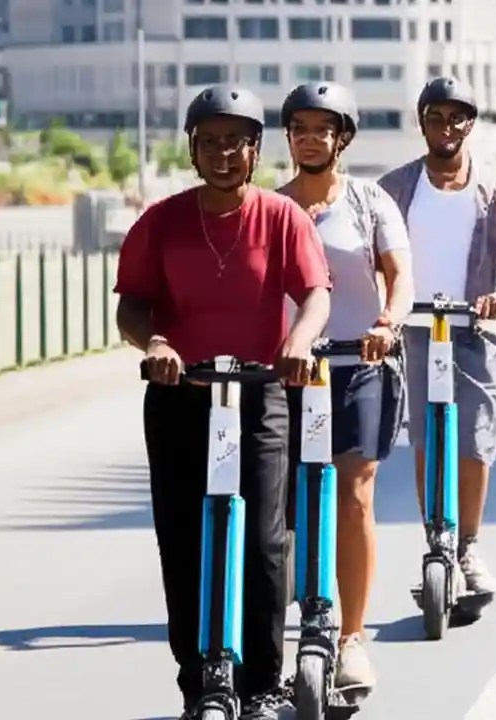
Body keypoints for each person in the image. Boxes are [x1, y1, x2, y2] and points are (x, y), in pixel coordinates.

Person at [114, 84, 332, 720]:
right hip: (182, 395)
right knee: (182, 540)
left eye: (235, 142)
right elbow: (132, 304)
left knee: (264, 541)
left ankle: (264, 683)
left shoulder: (281, 217)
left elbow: (314, 291)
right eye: (208, 142)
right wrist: (154, 342)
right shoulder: (161, 221)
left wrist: (298, 339)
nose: (222, 154)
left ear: (255, 150)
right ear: (192, 149)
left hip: (262, 394)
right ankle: (200, 683)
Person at [276, 81, 414, 695]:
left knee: (354, 491)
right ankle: (303, 618)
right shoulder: (273, 207)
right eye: (299, 128)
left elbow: (399, 275)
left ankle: (351, 637)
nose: (310, 138)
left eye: (322, 129)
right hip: (292, 371)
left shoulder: (369, 201)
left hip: (359, 363)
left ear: (342, 138)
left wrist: (388, 322)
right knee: (290, 503)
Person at [377, 76, 496, 599]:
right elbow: (369, 255)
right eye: (437, 117)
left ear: (471, 124)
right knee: (426, 438)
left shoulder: (494, 190)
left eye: (458, 118)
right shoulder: (395, 188)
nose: (447, 127)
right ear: (422, 122)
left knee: (474, 441)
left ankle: (466, 545)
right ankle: (436, 539)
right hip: (416, 331)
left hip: (474, 329)